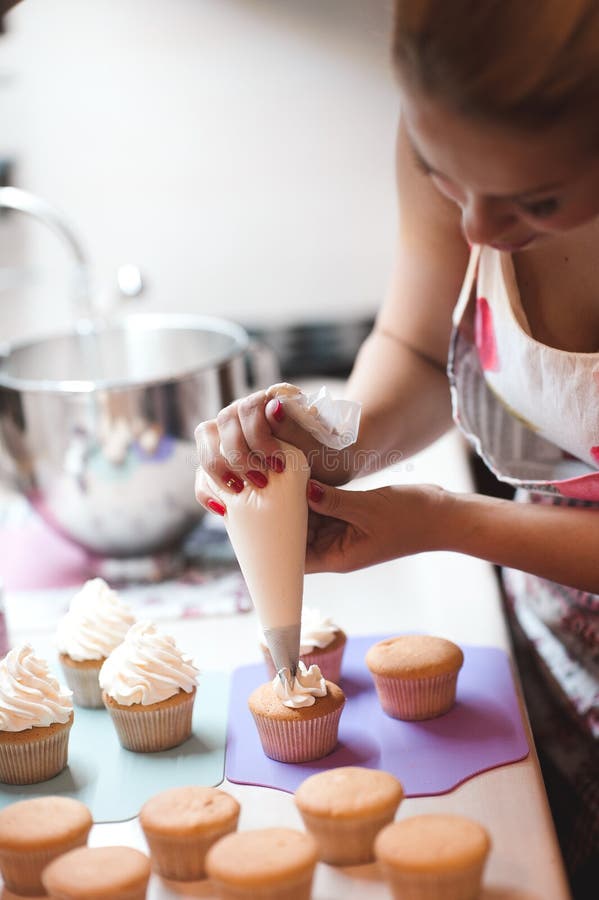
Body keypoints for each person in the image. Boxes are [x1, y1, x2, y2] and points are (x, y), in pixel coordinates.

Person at [195, 2, 599, 894]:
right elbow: (421, 352)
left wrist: (440, 519)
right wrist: (328, 445)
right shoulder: (461, 133)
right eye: (444, 173)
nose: (479, 233)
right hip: (541, 635)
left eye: (536, 201)